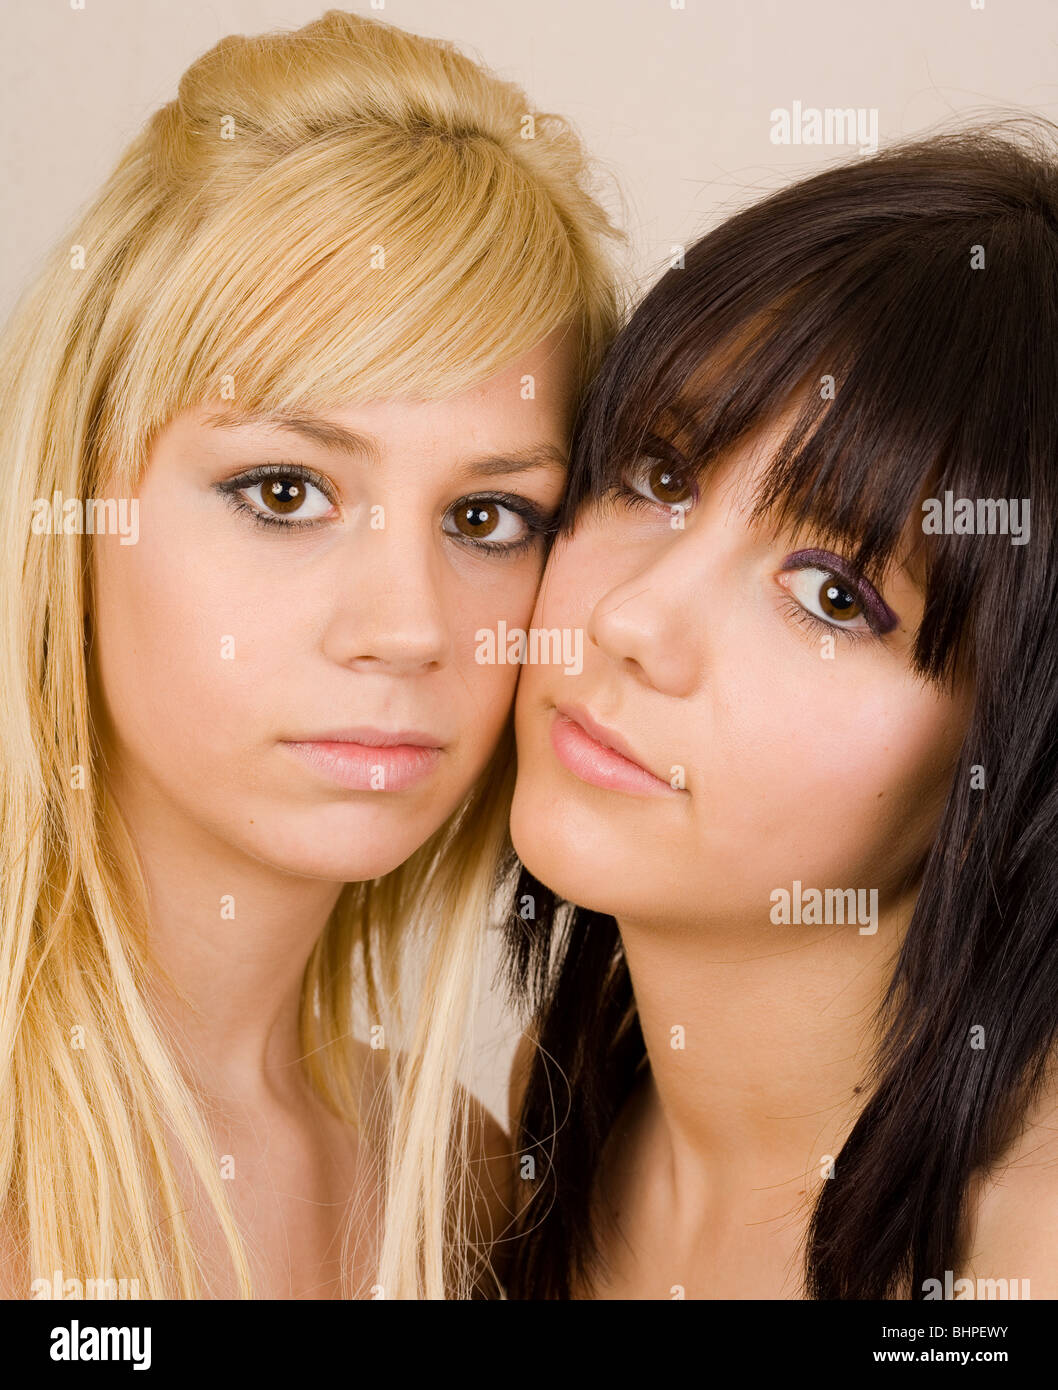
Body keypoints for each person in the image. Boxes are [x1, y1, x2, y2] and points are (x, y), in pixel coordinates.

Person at [0, 8, 621, 1299]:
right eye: (283, 490)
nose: (404, 626)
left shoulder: (457, 1178)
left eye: (485, 517)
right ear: (69, 503)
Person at [504, 120, 1058, 1300]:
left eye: (832, 594)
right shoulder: (563, 1112)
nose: (632, 621)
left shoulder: (1018, 1258)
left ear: (1010, 747)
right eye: (658, 478)